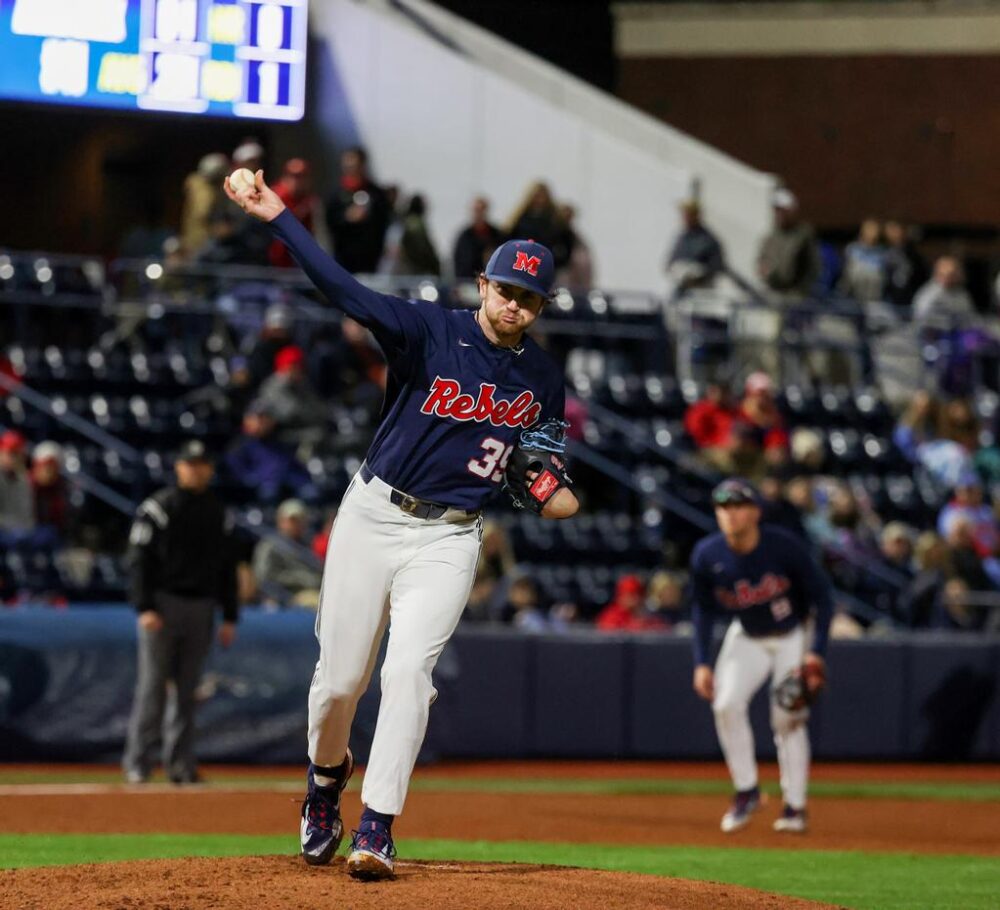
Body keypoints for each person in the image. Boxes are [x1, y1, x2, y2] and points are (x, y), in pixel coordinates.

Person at [226, 171, 578, 879]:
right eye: (506, 289)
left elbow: (551, 480)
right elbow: (343, 290)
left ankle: (378, 826)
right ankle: (325, 783)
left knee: (409, 672)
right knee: (339, 683)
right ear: (483, 284)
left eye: (529, 297)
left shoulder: (542, 377)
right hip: (374, 514)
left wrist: (547, 488)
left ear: (542, 306)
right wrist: (280, 216)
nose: (514, 304)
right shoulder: (429, 330)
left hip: (451, 535)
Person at [689, 478, 833, 835]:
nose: (730, 513)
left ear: (755, 512)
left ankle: (795, 806)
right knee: (725, 704)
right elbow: (703, 610)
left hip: (792, 635)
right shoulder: (707, 554)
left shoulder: (783, 546)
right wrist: (702, 662)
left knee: (787, 718)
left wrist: (815, 652)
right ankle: (747, 790)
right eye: (723, 506)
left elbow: (823, 598)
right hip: (748, 634)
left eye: (738, 505)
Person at [122, 440, 238, 785]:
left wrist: (230, 614)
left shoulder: (218, 512)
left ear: (210, 469)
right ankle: (139, 762)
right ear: (178, 467)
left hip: (202, 606)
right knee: (153, 687)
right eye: (190, 464)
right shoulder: (158, 507)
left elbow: (227, 567)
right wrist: (144, 605)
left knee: (188, 691)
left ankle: (180, 766)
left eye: (202, 464)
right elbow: (138, 560)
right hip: (163, 603)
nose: (196, 470)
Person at [325, 146, 392, 274]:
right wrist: (346, 218)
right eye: (347, 165)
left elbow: (384, 221)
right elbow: (329, 223)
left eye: (354, 165)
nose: (350, 168)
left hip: (370, 261)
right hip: (343, 259)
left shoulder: (376, 193)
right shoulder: (336, 195)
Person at [252, 498, 323, 607]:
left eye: (300, 520)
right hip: (284, 597)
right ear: (280, 521)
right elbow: (263, 577)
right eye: (292, 520)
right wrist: (300, 579)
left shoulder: (307, 543)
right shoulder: (269, 545)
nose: (296, 524)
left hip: (312, 592)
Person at [666, 199, 725, 293]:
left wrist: (698, 275)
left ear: (697, 216)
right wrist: (675, 269)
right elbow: (669, 263)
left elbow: (717, 266)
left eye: (689, 214)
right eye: (684, 215)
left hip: (701, 293)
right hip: (680, 291)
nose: (685, 218)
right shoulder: (682, 238)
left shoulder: (708, 240)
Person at [453, 196, 502, 279]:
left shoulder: (496, 235)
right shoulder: (465, 237)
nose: (479, 214)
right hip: (469, 281)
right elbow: (461, 263)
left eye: (481, 210)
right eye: (476, 210)